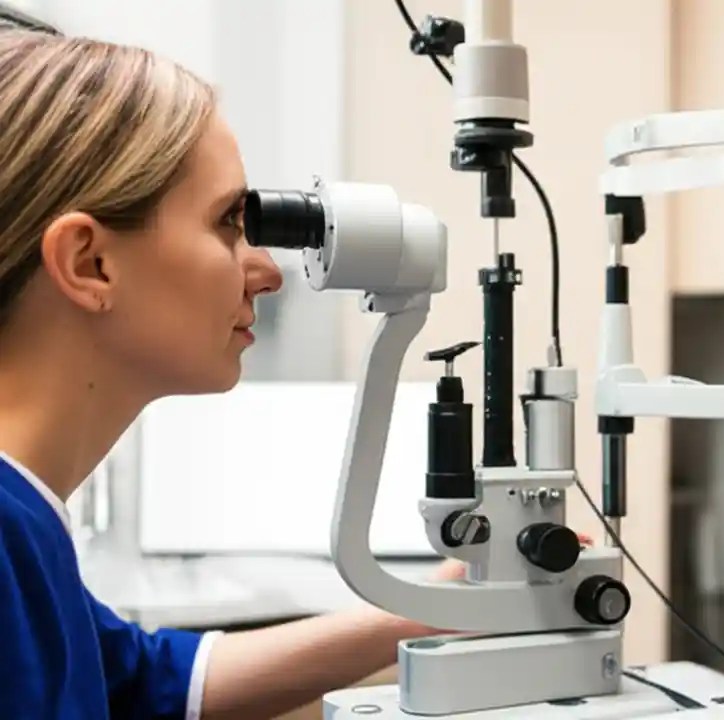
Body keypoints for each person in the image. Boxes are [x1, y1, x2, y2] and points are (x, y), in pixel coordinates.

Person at [0, 28, 467, 720]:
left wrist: (430, 609)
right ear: (89, 264)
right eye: (227, 223)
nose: (269, 272)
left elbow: (143, 680)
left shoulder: (27, 523)